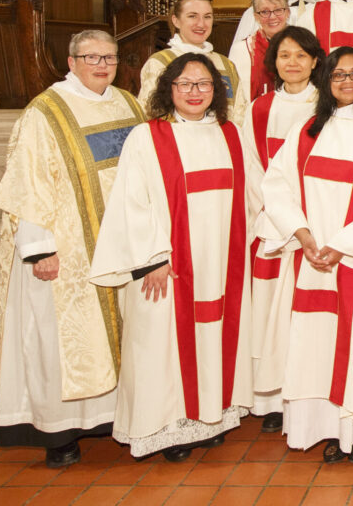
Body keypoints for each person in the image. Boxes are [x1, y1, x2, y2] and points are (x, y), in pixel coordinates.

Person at [0, 30, 144, 468]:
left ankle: (112, 419)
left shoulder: (128, 104)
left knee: (121, 333)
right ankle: (59, 434)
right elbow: (28, 182)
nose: (102, 66)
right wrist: (39, 249)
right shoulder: (46, 112)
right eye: (92, 57)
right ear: (72, 61)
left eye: (110, 57)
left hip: (120, 244)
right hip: (67, 251)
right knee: (64, 340)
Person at [91, 53, 252, 461]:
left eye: (204, 84)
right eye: (185, 84)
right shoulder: (148, 137)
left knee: (215, 336)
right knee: (159, 348)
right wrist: (153, 258)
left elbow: (255, 194)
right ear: (169, 89)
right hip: (168, 266)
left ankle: (211, 419)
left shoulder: (231, 134)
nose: (195, 92)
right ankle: (166, 428)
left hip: (222, 264)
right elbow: (131, 202)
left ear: (216, 91)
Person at [258, 47, 353, 460]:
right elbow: (277, 185)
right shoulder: (307, 129)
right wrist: (302, 233)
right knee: (317, 346)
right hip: (313, 260)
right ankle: (326, 427)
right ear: (326, 80)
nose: (348, 81)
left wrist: (342, 245)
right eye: (338, 74)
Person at [239, 26, 323, 432]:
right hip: (273, 226)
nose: (293, 63)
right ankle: (272, 398)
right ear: (273, 62)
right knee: (271, 313)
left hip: (318, 223)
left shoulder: (328, 105)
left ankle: (310, 392)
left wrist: (310, 218)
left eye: (301, 55)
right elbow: (252, 167)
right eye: (284, 55)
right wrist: (281, 215)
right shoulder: (259, 108)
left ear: (315, 61)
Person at [137, 0, 241, 121]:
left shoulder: (225, 64)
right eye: (192, 16)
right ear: (176, 21)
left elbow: (239, 113)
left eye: (207, 17)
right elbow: (150, 112)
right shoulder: (160, 62)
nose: (201, 24)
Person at [229, 0, 293, 119]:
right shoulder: (241, 50)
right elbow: (236, 100)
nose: (272, 17)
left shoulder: (303, 47)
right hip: (254, 121)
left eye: (278, 10)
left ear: (287, 12)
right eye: (264, 12)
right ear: (256, 16)